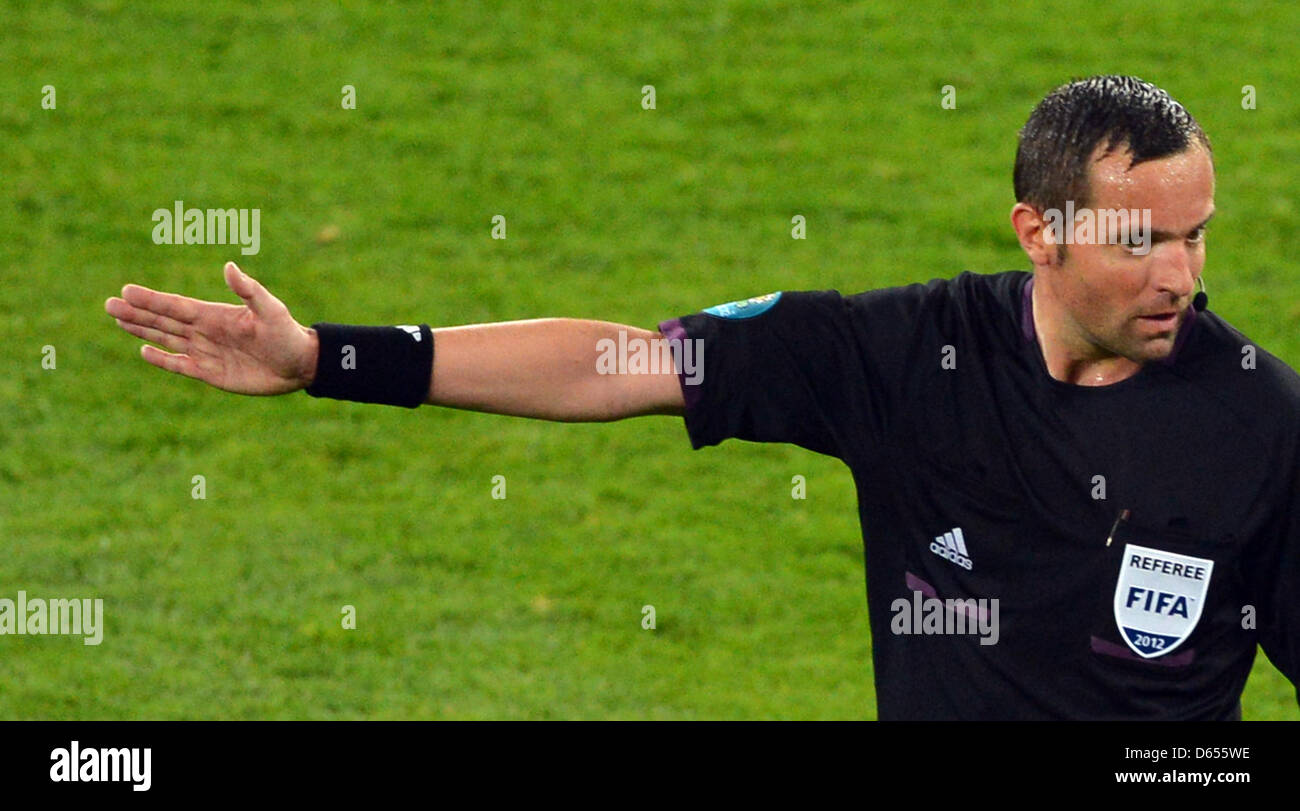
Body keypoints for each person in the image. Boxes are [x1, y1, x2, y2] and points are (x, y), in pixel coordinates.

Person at [105, 75, 1300, 720]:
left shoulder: (1259, 421)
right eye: (1142, 240)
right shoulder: (901, 355)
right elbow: (616, 365)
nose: (1182, 276)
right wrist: (325, 357)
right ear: (1038, 232)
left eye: (1197, 236)